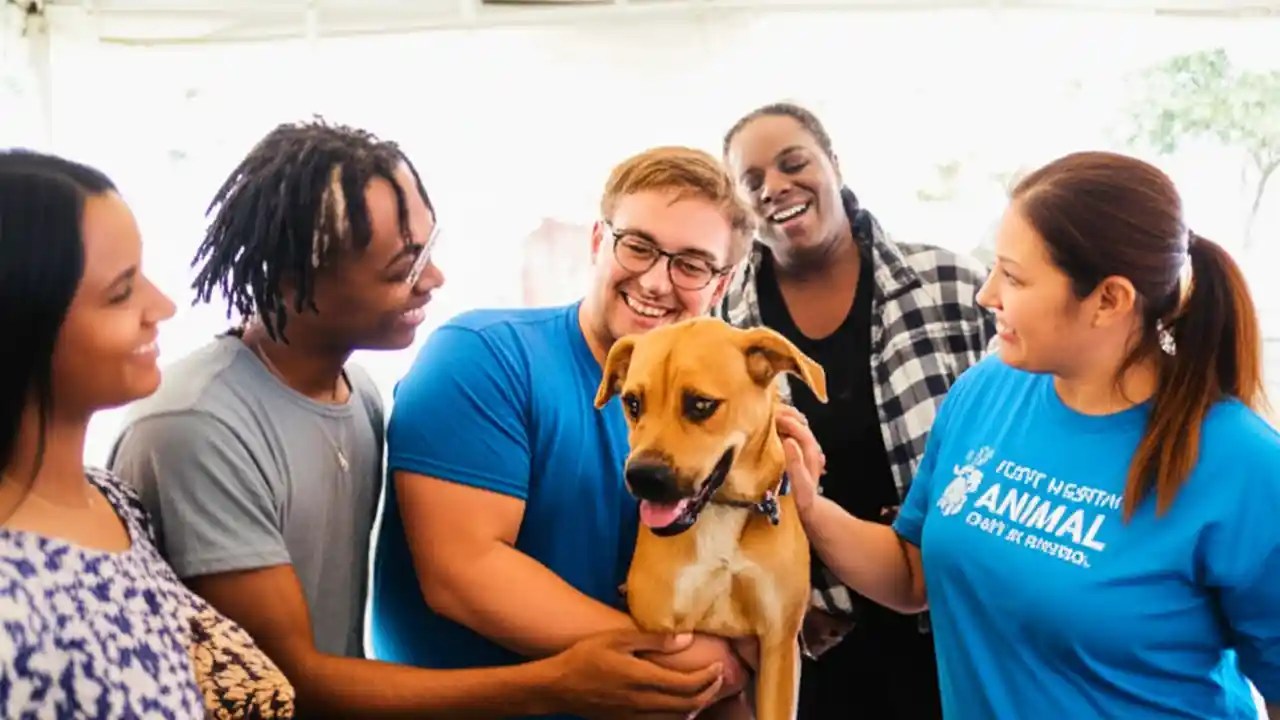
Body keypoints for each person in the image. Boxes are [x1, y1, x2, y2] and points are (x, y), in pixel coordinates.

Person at [107, 121, 728, 719]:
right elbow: (288, 682)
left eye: (429, 248)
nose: (434, 278)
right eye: (403, 264)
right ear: (302, 276)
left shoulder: (356, 394)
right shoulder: (199, 427)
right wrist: (557, 685)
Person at [786, 150, 1280, 719]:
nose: (986, 293)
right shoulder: (984, 393)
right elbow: (914, 572)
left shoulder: (1242, 466)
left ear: (1109, 300)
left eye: (1015, 277)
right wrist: (811, 507)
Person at [368, 145, 767, 719]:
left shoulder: (721, 413)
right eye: (639, 246)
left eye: (691, 264)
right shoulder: (485, 357)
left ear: (721, 283)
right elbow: (463, 573)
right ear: (599, 242)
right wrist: (682, 657)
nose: (657, 281)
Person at [717, 101, 995, 719]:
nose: (776, 188)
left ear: (834, 165)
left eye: (794, 164)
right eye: (753, 180)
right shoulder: (721, 328)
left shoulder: (952, 285)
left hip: (953, 622)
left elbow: (1015, 436)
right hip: (812, 642)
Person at [0, 149, 295, 718]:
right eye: (121, 293)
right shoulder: (12, 598)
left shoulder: (114, 500)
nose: (161, 306)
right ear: (22, 324)